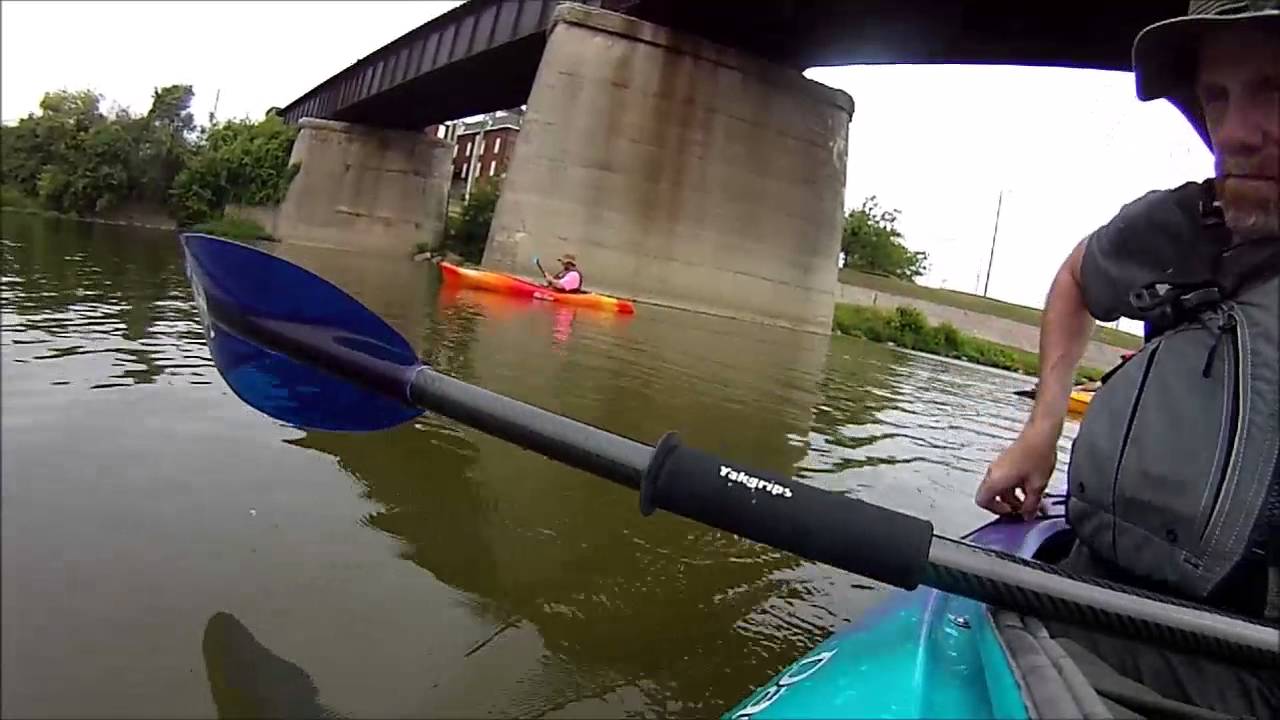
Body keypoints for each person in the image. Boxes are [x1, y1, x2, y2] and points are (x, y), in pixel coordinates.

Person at [975, 1, 1278, 715]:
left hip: (1237, 672)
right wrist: (1041, 428)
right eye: (1217, 97)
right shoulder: (1184, 224)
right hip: (1077, 598)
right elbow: (1077, 277)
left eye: (1276, 89)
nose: (1233, 133)